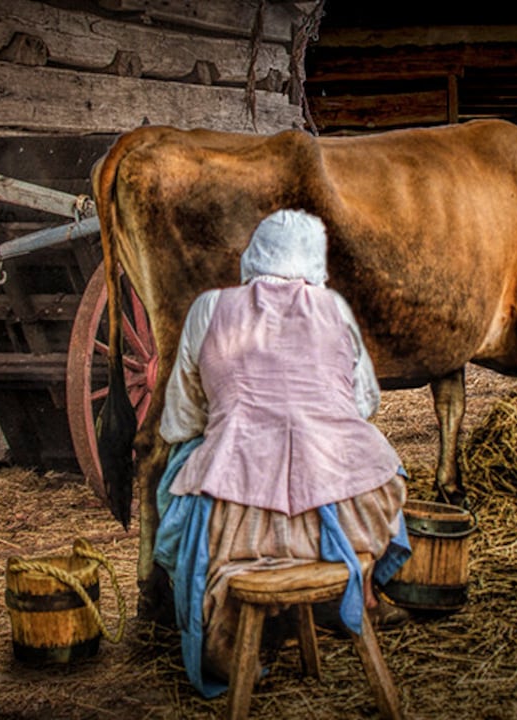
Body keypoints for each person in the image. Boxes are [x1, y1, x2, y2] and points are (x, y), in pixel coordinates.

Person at [152, 208, 410, 697]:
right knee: (365, 460)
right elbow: (364, 404)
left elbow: (180, 419)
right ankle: (357, 592)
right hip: (348, 520)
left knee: (183, 464)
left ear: (252, 258)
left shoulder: (209, 309)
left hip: (236, 529)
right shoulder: (333, 307)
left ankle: (222, 625)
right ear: (316, 265)